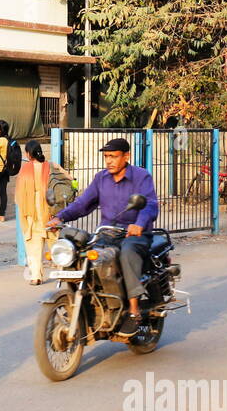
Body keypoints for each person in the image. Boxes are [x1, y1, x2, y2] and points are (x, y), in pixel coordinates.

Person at [48, 137, 160, 336]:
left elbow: (150, 204)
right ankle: (91, 301)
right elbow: (83, 203)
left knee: (127, 252)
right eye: (106, 156)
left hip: (134, 235)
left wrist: (139, 224)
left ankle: (134, 310)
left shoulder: (141, 177)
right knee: (82, 255)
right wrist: (59, 217)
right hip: (107, 233)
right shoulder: (101, 178)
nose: (109, 161)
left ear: (126, 156)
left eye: (113, 156)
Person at [16, 140, 53, 284]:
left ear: (28, 154)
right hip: (49, 208)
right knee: (54, 241)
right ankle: (64, 271)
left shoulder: (25, 169)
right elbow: (67, 177)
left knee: (33, 243)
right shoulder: (50, 166)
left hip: (31, 210)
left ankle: (36, 276)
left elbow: (19, 194)